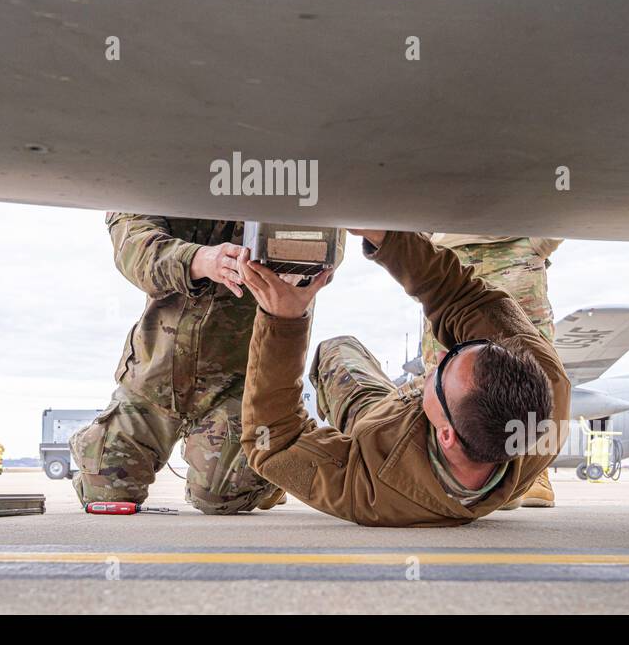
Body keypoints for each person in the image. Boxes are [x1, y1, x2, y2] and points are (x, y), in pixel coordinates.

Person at [237, 229, 570, 527]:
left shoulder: (371, 491)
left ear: (446, 435)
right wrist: (388, 238)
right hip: (431, 419)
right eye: (462, 350)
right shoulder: (545, 384)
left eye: (443, 372)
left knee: (335, 350)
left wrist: (283, 318)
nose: (440, 355)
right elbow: (461, 297)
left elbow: (274, 443)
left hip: (376, 434)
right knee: (343, 347)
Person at [70, 215, 296, 514]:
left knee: (220, 497)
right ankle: (101, 436)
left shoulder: (281, 184)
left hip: (233, 385)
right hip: (153, 380)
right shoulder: (166, 180)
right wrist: (203, 259)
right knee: (105, 488)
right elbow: (134, 248)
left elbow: (324, 247)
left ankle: (269, 475)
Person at [420, 235, 562, 508]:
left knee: (525, 371)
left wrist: (539, 241)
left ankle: (531, 474)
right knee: (448, 377)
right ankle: (465, 473)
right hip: (456, 248)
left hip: (509, 245)